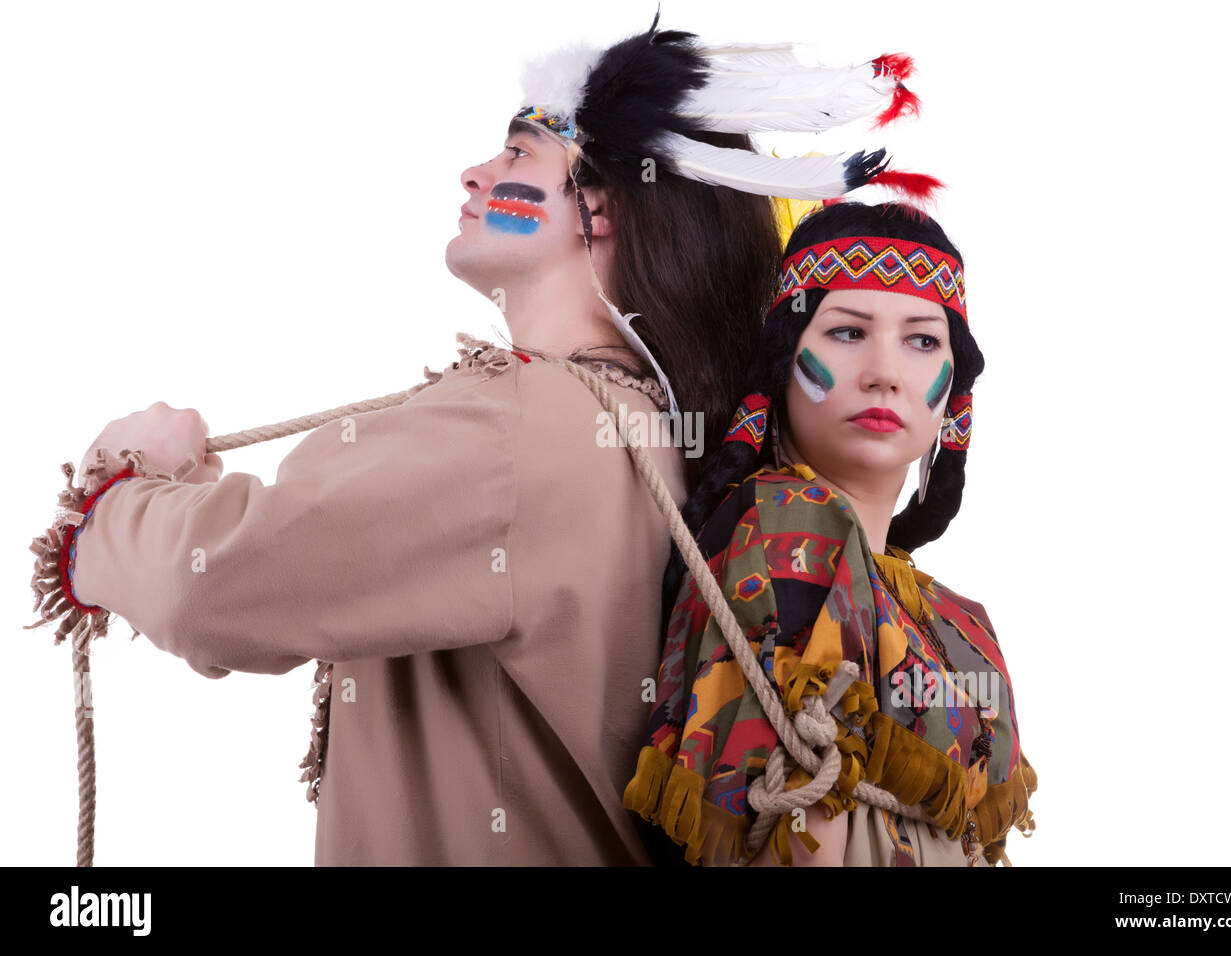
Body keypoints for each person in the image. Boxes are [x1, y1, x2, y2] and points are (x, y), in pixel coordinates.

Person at [27, 14, 924, 864]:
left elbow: (208, 588)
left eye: (518, 152)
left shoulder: (525, 425)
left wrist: (120, 490)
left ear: (599, 209)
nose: (474, 174)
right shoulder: (658, 438)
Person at [623, 199, 1038, 866]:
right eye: (847, 332)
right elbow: (800, 833)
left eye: (922, 340)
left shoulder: (961, 621)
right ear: (782, 360)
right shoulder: (791, 523)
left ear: (954, 394)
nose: (884, 372)